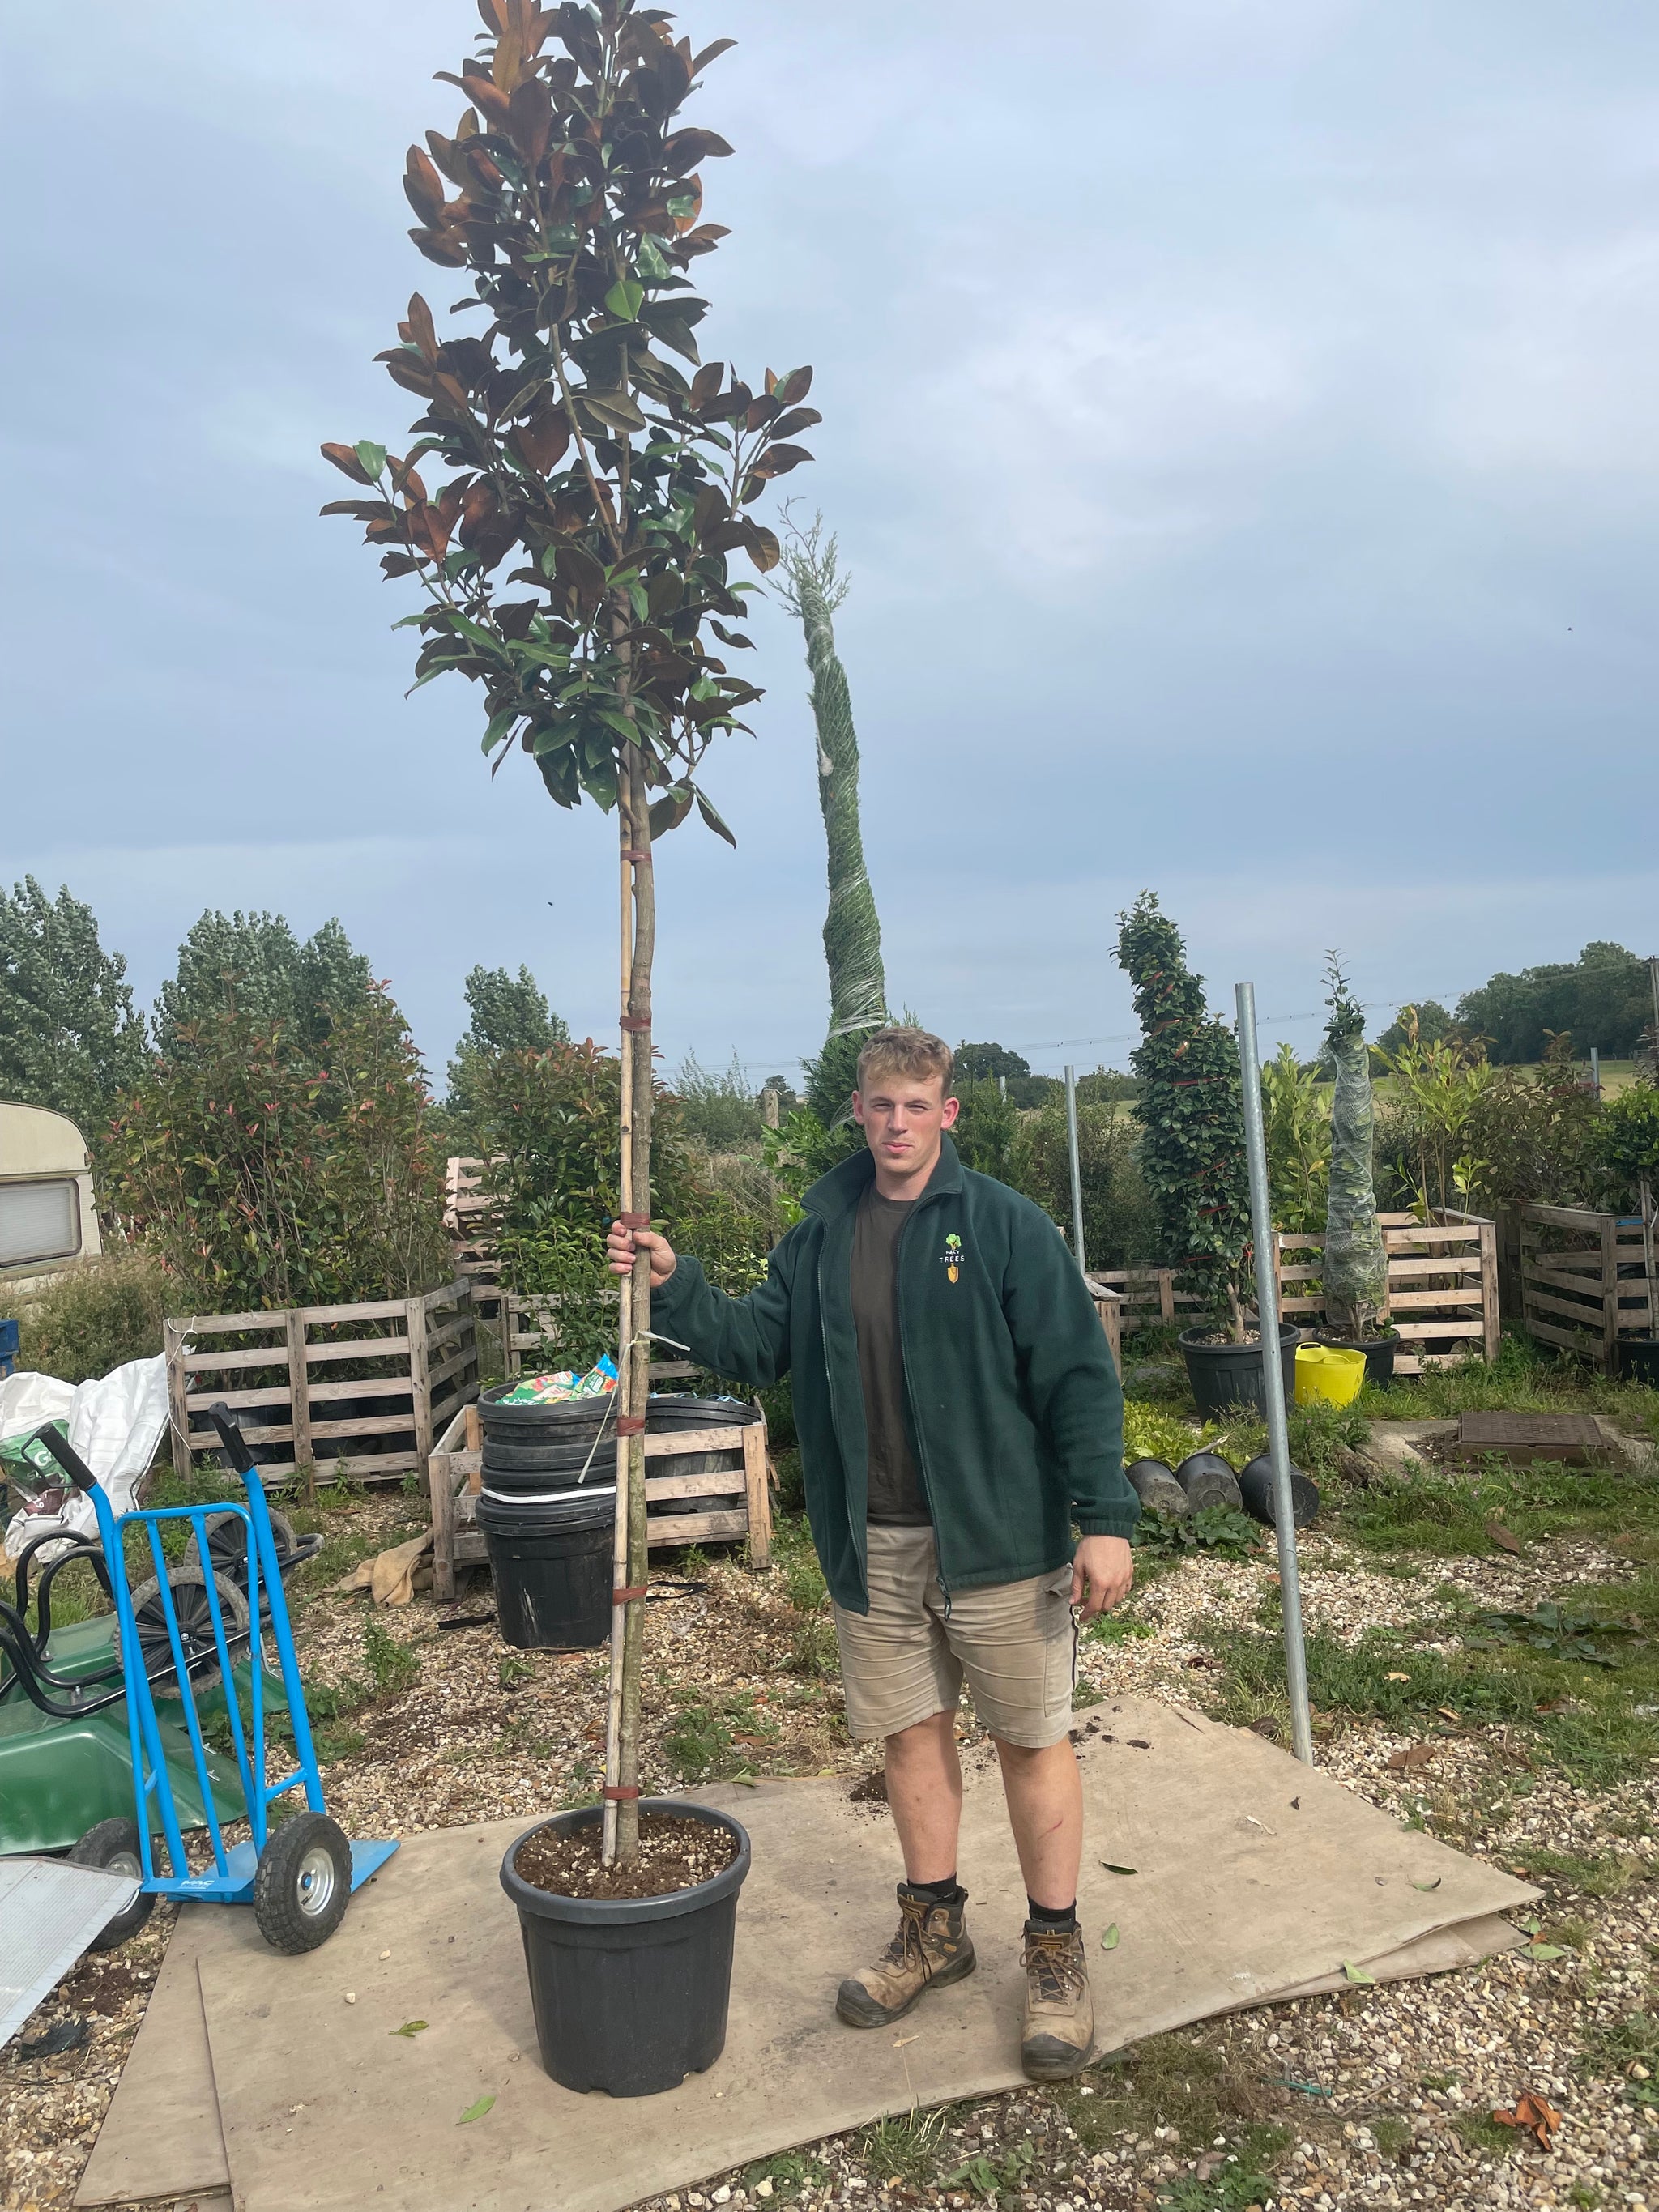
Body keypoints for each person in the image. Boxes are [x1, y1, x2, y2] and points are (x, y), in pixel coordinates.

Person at [605, 1026, 1137, 2081]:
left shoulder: (1001, 1227)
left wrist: (1105, 1516)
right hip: (874, 1541)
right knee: (908, 1739)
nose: (896, 1125)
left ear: (947, 1113)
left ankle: (1055, 1951)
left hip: (998, 1539)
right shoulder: (822, 1232)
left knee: (1030, 1741)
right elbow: (761, 1344)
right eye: (879, 1105)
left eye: (916, 1105)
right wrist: (676, 1281)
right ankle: (933, 1931)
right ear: (858, 1111)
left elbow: (1076, 1375)